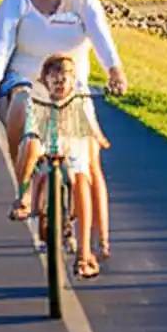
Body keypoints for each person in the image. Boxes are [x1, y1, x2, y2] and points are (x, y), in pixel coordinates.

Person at [0, 0, 127, 261]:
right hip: (26, 80)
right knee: (20, 106)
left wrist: (115, 71)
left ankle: (89, 239)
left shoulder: (82, 2)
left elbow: (102, 38)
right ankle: (25, 186)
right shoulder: (16, 2)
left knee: (87, 164)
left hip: (71, 89)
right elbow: (2, 42)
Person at [12, 52, 108, 278]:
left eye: (66, 77)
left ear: (73, 80)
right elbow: (32, 124)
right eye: (54, 77)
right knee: (30, 148)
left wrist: (99, 137)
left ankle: (84, 252)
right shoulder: (36, 96)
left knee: (82, 180)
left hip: (73, 144)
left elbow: (90, 123)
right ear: (45, 79)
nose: (60, 82)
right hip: (45, 140)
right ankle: (25, 197)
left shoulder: (80, 97)